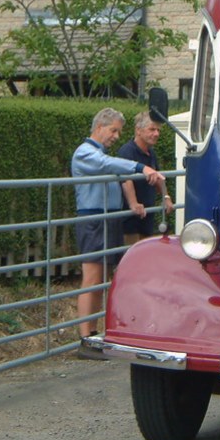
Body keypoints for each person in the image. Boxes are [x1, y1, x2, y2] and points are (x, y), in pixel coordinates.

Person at [72, 107, 164, 341]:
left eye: (118, 132)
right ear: (99, 127)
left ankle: (94, 332)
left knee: (102, 278)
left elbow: (113, 167)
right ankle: (86, 336)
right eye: (113, 130)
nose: (116, 136)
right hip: (93, 218)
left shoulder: (102, 154)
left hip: (109, 217)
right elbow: (107, 165)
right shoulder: (85, 153)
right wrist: (141, 168)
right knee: (92, 277)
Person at [118, 111, 174, 244]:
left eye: (158, 130)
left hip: (147, 217)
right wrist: (134, 203)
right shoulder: (127, 151)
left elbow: (159, 177)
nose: (157, 134)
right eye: (152, 129)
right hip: (130, 220)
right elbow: (126, 179)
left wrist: (166, 197)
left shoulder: (151, 153)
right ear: (138, 130)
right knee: (131, 256)